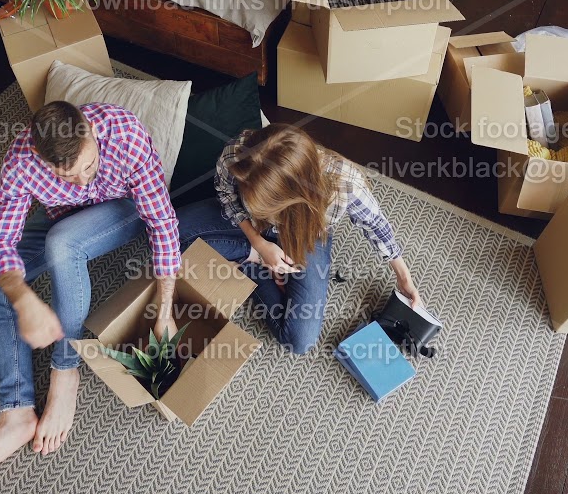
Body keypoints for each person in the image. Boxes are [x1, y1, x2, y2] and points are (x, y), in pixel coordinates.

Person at [0, 101, 179, 476]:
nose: (83, 182)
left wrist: (165, 309)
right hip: (64, 217)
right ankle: (16, 409)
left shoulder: (124, 133)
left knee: (62, 243)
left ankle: (65, 369)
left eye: (89, 167)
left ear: (89, 129)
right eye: (67, 177)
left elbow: (162, 222)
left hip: (124, 210)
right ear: (41, 155)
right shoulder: (22, 159)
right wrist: (23, 298)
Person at [176, 123, 420, 354]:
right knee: (169, 236)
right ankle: (255, 260)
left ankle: (250, 266)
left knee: (300, 340)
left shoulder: (345, 183)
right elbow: (226, 195)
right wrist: (258, 243)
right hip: (245, 224)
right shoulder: (240, 153)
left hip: (305, 236)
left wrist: (404, 277)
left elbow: (375, 223)